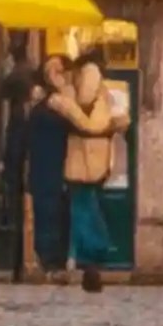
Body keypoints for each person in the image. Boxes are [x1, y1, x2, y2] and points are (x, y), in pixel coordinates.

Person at [48, 48, 127, 293]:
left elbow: (90, 123)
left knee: (83, 209)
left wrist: (61, 102)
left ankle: (92, 255)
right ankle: (81, 259)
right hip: (85, 160)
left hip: (86, 162)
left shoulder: (91, 88)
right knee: (82, 208)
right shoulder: (97, 91)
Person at [26, 54, 75, 282]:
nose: (58, 75)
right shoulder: (42, 109)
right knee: (46, 217)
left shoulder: (67, 104)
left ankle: (58, 263)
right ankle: (50, 264)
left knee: (62, 218)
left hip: (64, 169)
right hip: (45, 170)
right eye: (52, 71)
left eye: (60, 70)